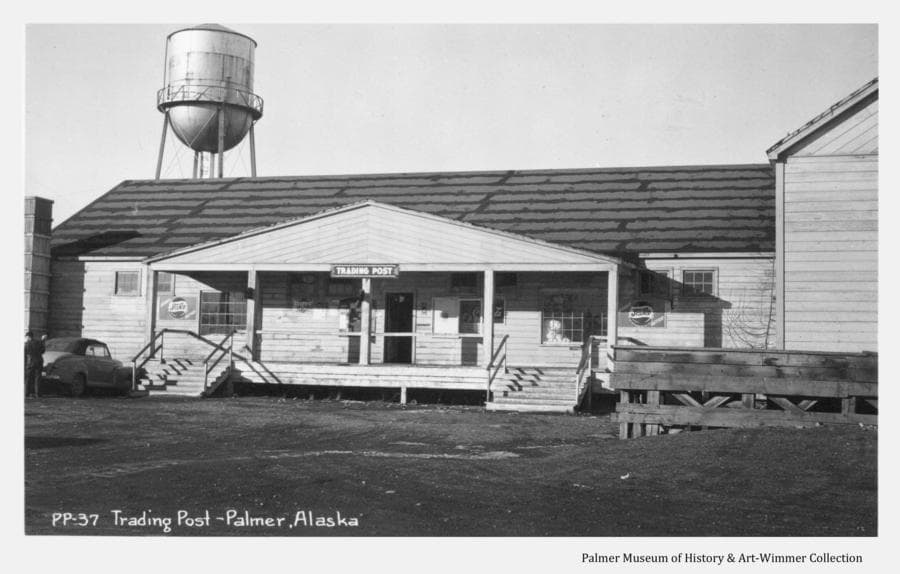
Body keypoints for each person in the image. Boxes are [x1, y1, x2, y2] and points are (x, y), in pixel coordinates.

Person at [24, 331, 44, 398]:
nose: (26, 338)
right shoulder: (39, 342)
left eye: (26, 337)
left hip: (31, 362)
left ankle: (27, 393)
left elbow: (24, 354)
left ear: (28, 337)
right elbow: (43, 351)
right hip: (39, 361)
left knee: (28, 378)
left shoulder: (27, 344)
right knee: (38, 377)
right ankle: (38, 394)